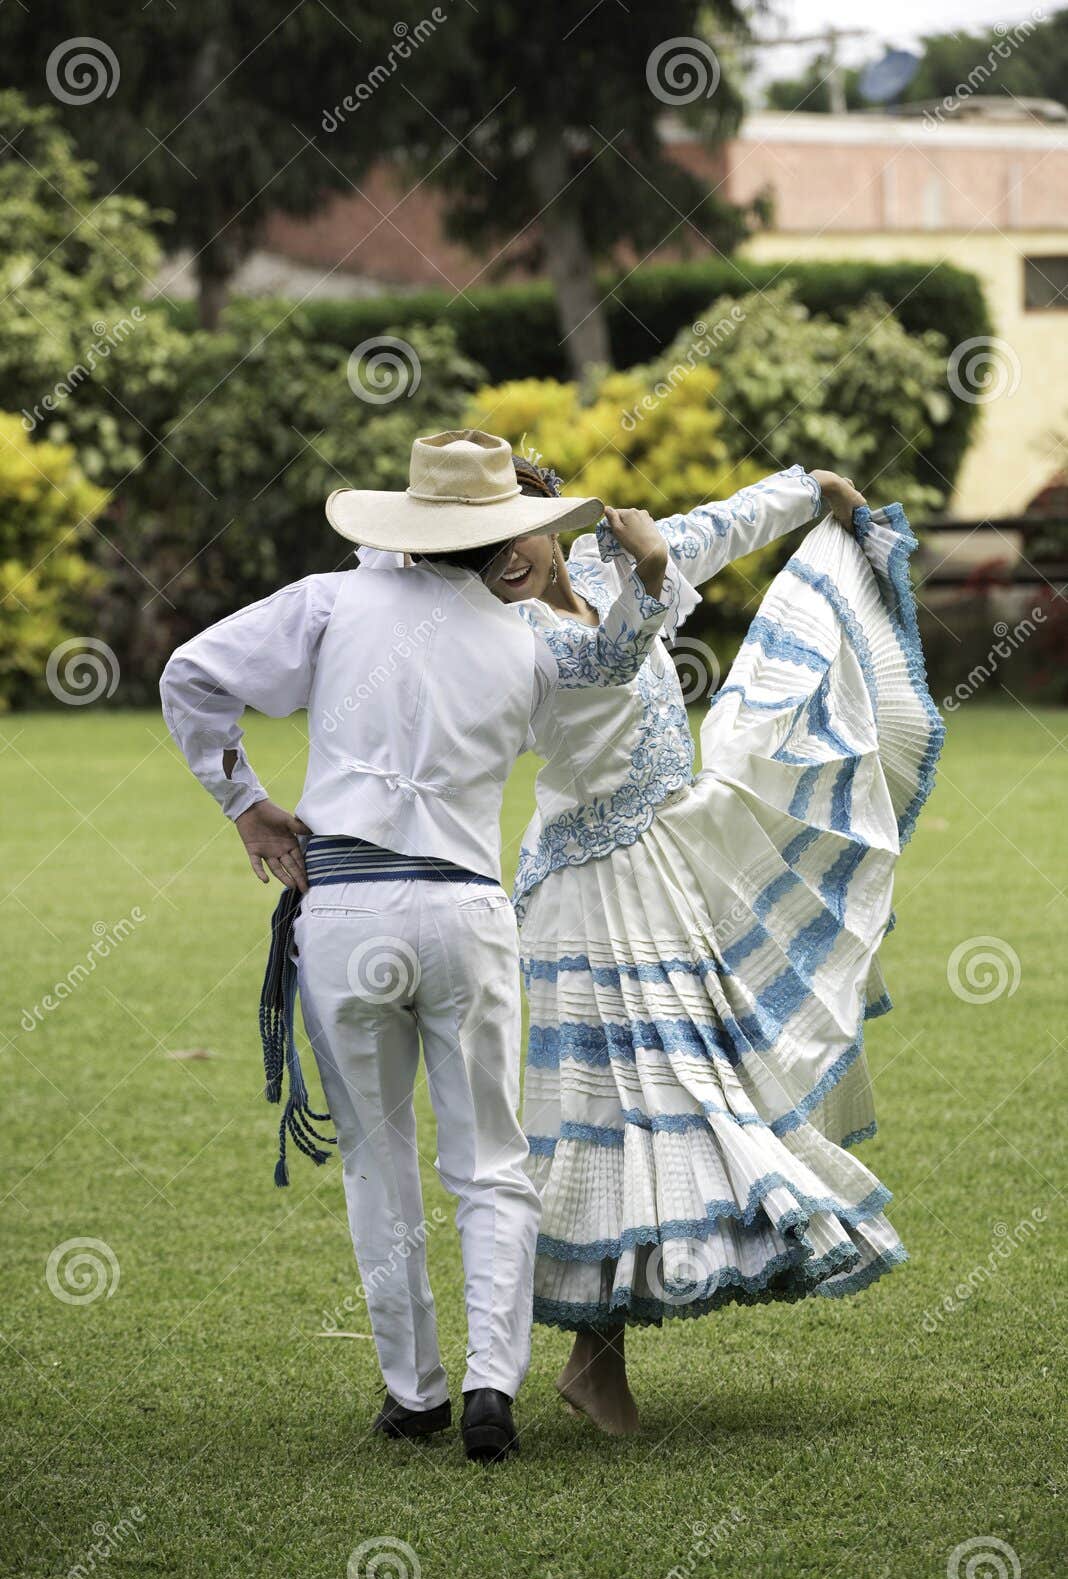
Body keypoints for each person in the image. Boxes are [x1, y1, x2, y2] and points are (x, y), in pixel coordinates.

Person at [159, 428, 678, 1462]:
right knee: (491, 1160)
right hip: (466, 916)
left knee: (376, 1161)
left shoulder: (330, 600)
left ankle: (416, 1391)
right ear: (500, 530)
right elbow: (621, 659)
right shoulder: (527, 634)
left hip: (344, 910)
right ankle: (495, 1383)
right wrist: (652, 576)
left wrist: (248, 804)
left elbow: (190, 675)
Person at [482, 456, 943, 1433]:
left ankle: (600, 1352)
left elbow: (714, 531)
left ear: (556, 520)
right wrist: (649, 583)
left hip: (663, 858)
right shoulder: (506, 634)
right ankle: (591, 1357)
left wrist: (812, 489)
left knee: (691, 1087)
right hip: (588, 888)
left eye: (512, 531)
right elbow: (599, 663)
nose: (500, 558)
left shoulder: (612, 563)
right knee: (623, 1107)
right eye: (474, 548)